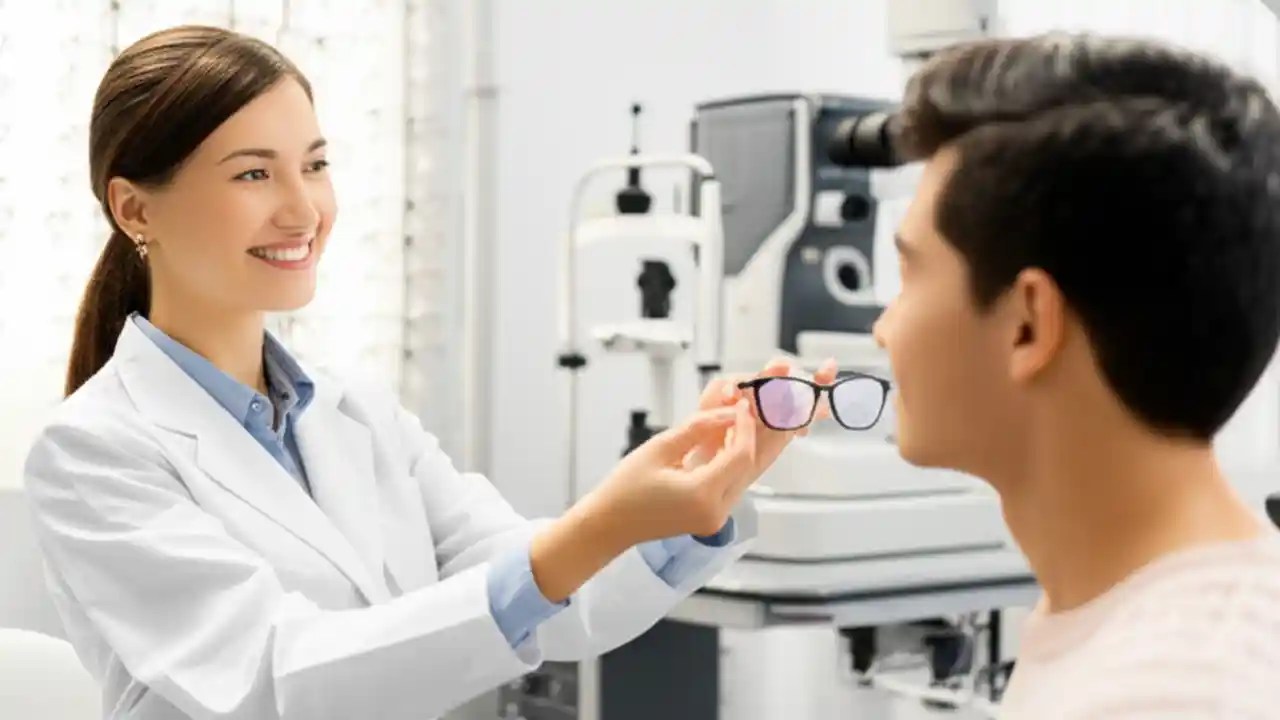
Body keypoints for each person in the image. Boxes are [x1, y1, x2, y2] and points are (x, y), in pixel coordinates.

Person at [21, 26, 837, 720]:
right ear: (135, 209)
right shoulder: (93, 452)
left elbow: (539, 597)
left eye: (314, 164)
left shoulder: (354, 411)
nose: (304, 211)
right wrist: (597, 526)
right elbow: (277, 680)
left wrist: (690, 496)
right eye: (253, 173)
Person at [874, 33, 1280, 718]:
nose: (883, 327)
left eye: (911, 271)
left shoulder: (1168, 696)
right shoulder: (1157, 625)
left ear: (1029, 324)